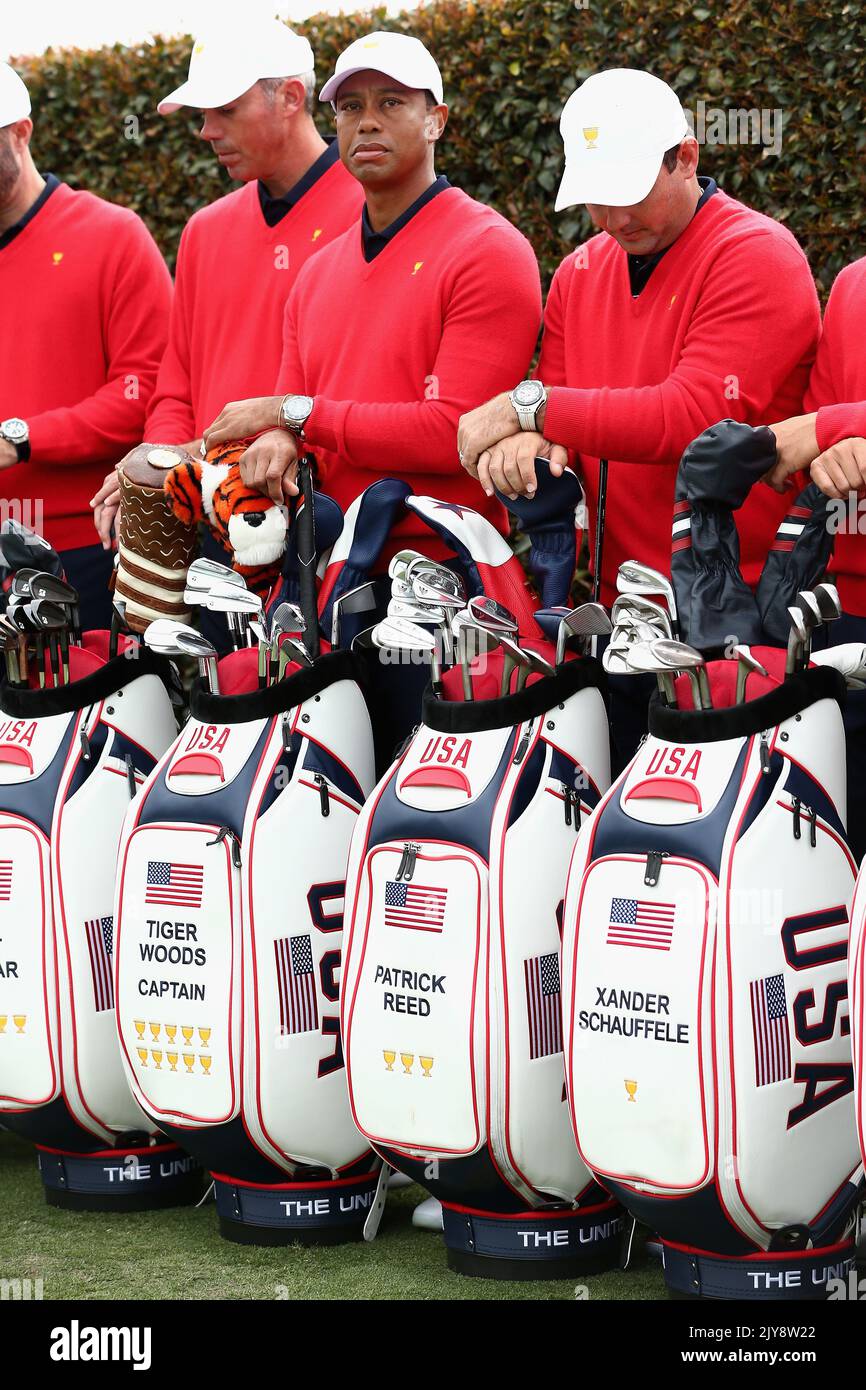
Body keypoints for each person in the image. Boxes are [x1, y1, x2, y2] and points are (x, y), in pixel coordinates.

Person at [456, 68, 821, 767]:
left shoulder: (758, 254)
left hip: (742, 624)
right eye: (596, 197)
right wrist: (528, 443)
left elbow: (692, 420)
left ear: (686, 157)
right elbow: (559, 426)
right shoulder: (579, 271)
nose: (613, 218)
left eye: (629, 194)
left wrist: (526, 406)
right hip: (619, 622)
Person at [201, 30, 542, 566]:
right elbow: (290, 426)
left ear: (437, 121)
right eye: (350, 107)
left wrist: (296, 418)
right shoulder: (315, 273)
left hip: (442, 576)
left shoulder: (490, 250)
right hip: (325, 574)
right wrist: (281, 438)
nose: (367, 122)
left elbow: (453, 433)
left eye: (391, 102)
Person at [90, 18, 363, 552]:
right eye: (204, 113)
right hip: (209, 533)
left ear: (289, 97)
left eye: (225, 111)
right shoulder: (204, 229)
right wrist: (158, 464)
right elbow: (176, 388)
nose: (207, 130)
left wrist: (194, 454)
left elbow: (355, 399)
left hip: (330, 532)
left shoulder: (370, 216)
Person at [0, 62, 171, 628]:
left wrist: (23, 439)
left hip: (80, 551)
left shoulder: (110, 237)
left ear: (21, 132)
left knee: (86, 718)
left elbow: (144, 392)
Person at [764, 255, 866, 858]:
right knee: (834, 856)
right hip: (845, 620)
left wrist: (836, 427)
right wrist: (833, 449)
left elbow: (820, 423)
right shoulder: (854, 283)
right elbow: (809, 450)